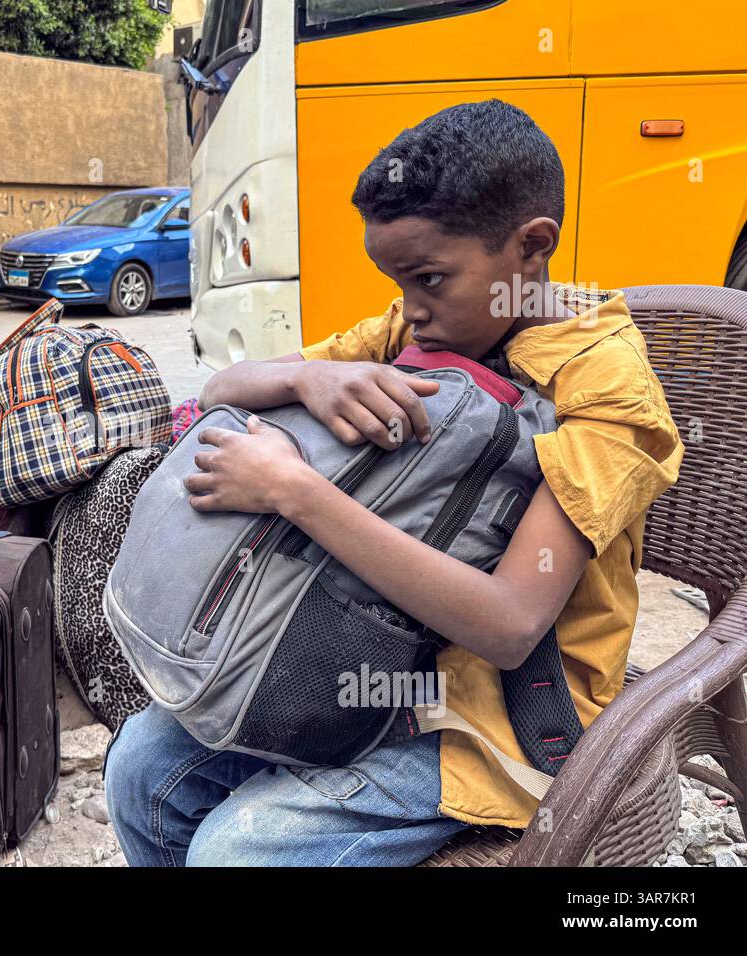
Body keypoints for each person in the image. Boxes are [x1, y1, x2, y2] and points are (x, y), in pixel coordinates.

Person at [104, 99, 684, 867]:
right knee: (140, 770)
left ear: (531, 247)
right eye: (398, 282)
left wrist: (296, 493)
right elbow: (221, 389)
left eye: (431, 278)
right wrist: (307, 381)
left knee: (236, 852)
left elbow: (510, 626)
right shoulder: (419, 325)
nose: (412, 311)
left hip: (499, 719)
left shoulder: (608, 390)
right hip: (365, 663)